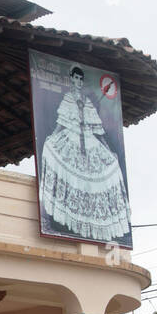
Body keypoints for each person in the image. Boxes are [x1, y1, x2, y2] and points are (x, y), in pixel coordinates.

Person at [39, 66, 130, 240]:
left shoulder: (87, 101)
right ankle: (67, 220)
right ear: (72, 79)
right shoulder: (68, 98)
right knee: (70, 173)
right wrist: (53, 137)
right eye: (76, 78)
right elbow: (62, 122)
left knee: (103, 174)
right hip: (71, 137)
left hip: (88, 141)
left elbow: (97, 129)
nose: (79, 82)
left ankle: (91, 223)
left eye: (81, 79)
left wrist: (109, 150)